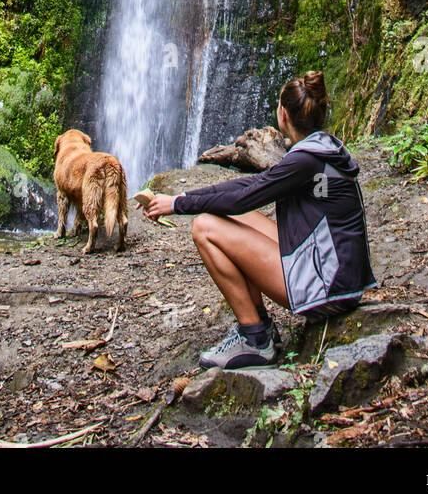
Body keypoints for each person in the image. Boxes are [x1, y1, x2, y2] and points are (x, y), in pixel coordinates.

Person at [142, 70, 377, 370]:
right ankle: (260, 327)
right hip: (337, 276)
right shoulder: (323, 151)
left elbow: (247, 193)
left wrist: (177, 204)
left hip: (328, 287)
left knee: (205, 227)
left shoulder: (307, 160)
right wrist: (183, 198)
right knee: (231, 214)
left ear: (283, 115)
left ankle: (255, 338)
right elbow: (245, 191)